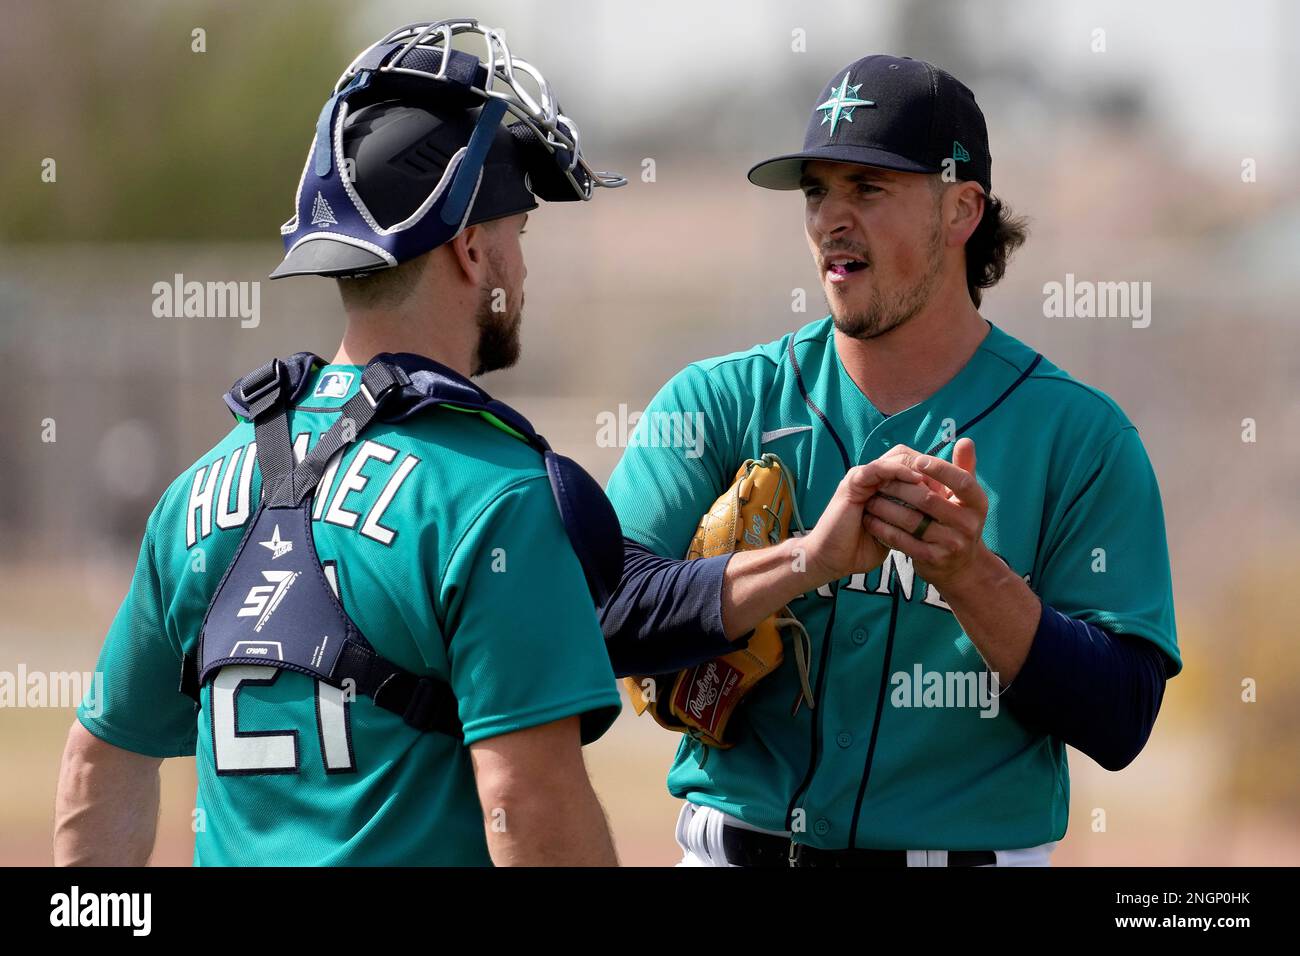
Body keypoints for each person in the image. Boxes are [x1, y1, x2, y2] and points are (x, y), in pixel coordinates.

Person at [55, 19, 626, 867]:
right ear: (471, 250)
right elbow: (527, 805)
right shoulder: (490, 494)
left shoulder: (203, 486)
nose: (522, 266)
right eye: (518, 234)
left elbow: (95, 768)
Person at [601, 54, 1179, 867]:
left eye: (868, 189)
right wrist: (801, 561)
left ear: (961, 209)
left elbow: (1120, 718)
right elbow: (600, 616)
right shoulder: (719, 404)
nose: (832, 219)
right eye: (816, 191)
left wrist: (970, 572)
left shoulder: (1080, 438)